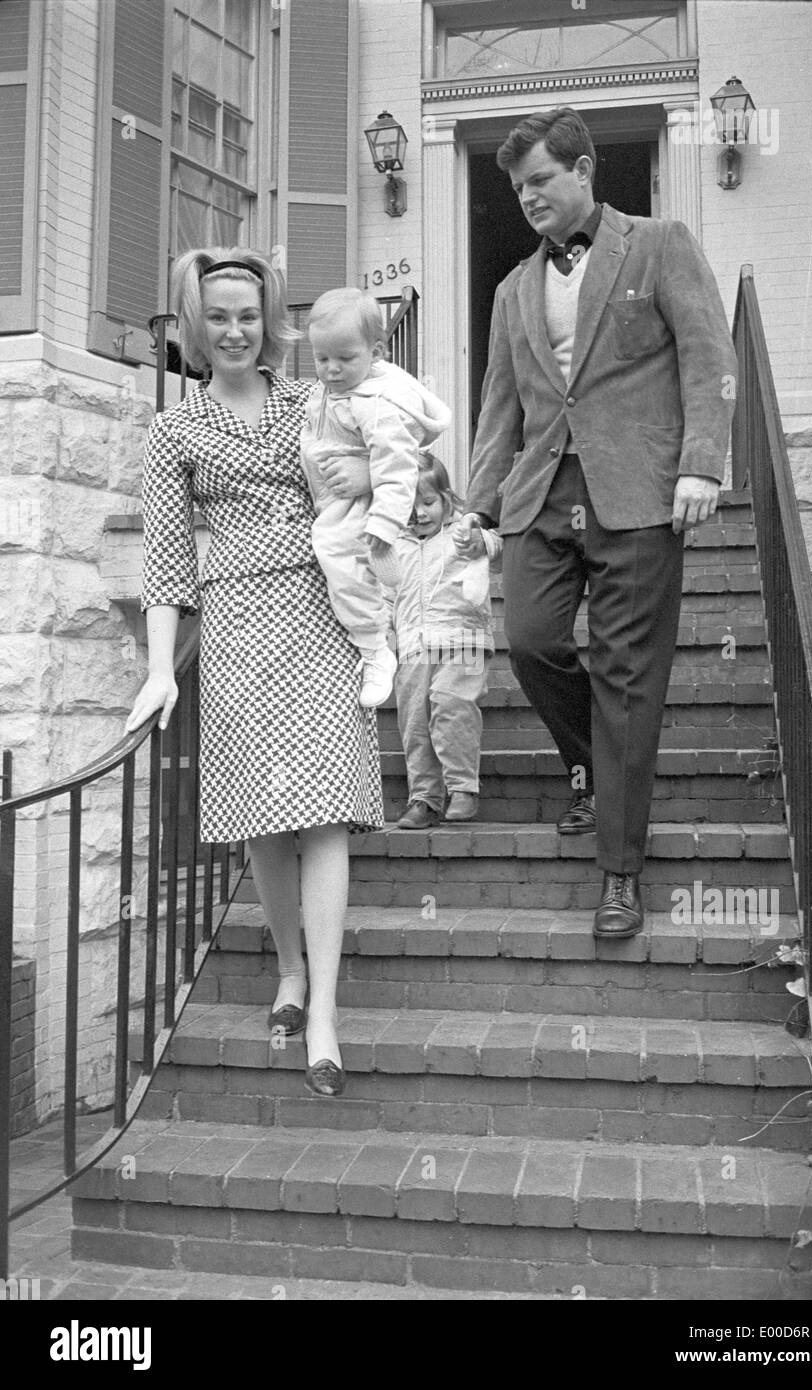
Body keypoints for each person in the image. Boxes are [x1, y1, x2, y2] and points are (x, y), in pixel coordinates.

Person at [457, 107, 737, 939]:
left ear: (583, 172)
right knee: (532, 640)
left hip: (641, 492)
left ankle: (619, 871)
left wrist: (702, 461)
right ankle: (592, 764)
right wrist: (479, 504)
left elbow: (709, 353)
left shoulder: (660, 243)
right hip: (542, 493)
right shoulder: (513, 287)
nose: (526, 198)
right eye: (516, 188)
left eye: (540, 180)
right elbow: (499, 406)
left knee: (626, 678)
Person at [125, 248, 385, 1098]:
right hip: (236, 623)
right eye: (219, 315)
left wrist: (371, 479)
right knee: (266, 820)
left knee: (328, 814)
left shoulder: (315, 400)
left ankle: (325, 1015)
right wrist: (161, 670)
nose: (235, 329)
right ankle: (288, 970)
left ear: (267, 318)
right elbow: (166, 563)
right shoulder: (174, 430)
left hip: (318, 614)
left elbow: (391, 464)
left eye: (248, 313)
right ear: (195, 325)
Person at [301, 287, 451, 707]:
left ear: (377, 350)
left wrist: (384, 525)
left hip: (360, 508)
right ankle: (384, 615)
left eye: (345, 358)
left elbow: (397, 466)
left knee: (341, 564)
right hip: (334, 498)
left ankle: (374, 650)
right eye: (321, 359)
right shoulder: (340, 388)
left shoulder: (377, 403)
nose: (331, 369)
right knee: (349, 571)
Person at [389, 455, 502, 828]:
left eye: (427, 502)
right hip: (413, 646)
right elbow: (384, 595)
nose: (418, 513)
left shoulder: (461, 533)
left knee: (452, 703)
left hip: (465, 639)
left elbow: (498, 548)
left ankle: (462, 788)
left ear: (446, 499)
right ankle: (424, 798)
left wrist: (481, 540)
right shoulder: (392, 547)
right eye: (409, 504)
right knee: (415, 721)